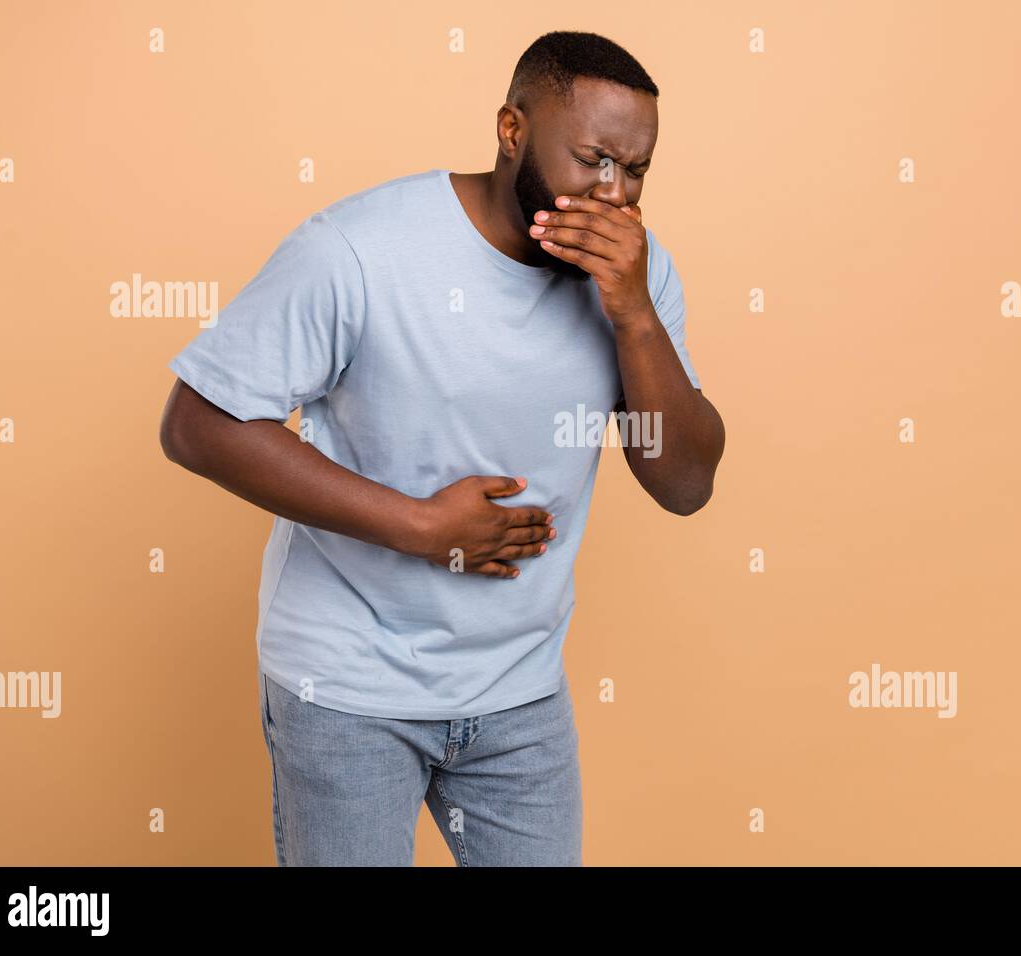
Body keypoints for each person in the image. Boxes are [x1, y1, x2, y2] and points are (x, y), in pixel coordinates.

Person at [158, 30, 725, 866]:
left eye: (635, 169)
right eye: (592, 159)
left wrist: (635, 316)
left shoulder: (636, 278)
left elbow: (683, 482)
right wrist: (422, 528)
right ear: (512, 131)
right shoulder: (358, 249)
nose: (613, 194)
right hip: (347, 687)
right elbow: (196, 423)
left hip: (519, 694)